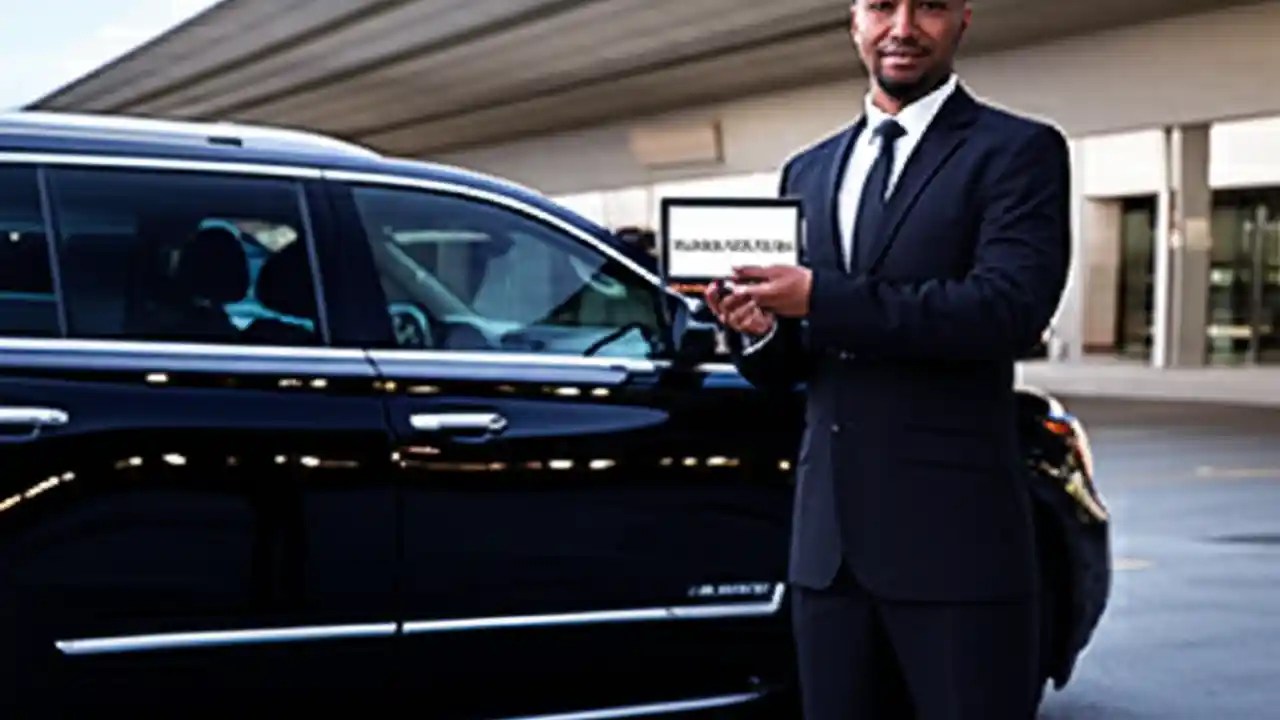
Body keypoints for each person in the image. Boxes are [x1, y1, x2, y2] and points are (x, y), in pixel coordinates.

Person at [704, 1, 1071, 718]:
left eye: (928, 6)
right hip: (829, 553)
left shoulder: (1018, 151)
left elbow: (1006, 310)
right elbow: (799, 361)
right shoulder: (806, 171)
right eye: (882, 6)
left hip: (956, 549)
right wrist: (757, 331)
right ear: (854, 20)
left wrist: (820, 298)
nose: (902, 26)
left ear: (963, 18)